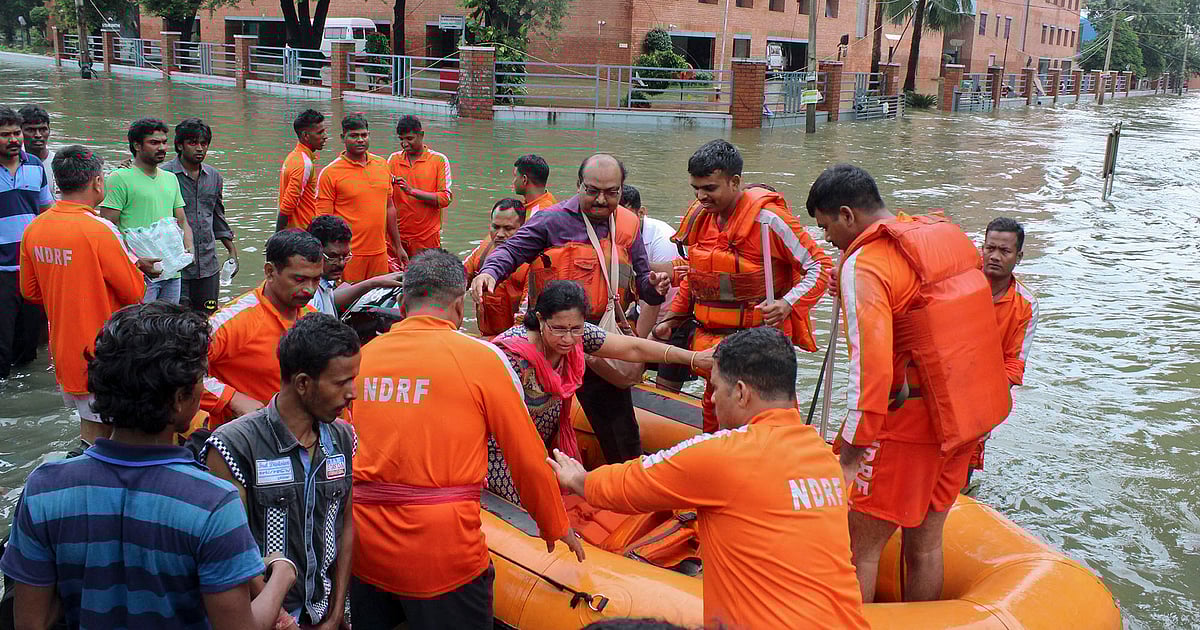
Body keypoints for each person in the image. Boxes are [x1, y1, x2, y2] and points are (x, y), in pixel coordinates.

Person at [548, 327, 870, 630]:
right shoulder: (826, 461)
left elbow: (632, 483)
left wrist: (581, 481)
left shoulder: (724, 455)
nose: (712, 399)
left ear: (741, 392)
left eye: (716, 387)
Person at [0, 301, 296, 630]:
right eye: (203, 377)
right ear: (181, 399)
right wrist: (282, 574)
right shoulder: (212, 502)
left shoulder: (44, 487)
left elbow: (31, 622)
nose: (204, 386)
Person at [805, 164, 1010, 603]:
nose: (826, 240)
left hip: (907, 424)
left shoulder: (866, 264)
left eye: (825, 227)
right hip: (962, 417)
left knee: (859, 549)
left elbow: (869, 369)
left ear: (846, 215)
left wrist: (850, 455)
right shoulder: (939, 236)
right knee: (926, 543)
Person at [350, 249, 582, 630]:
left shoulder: (362, 358)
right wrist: (554, 524)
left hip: (366, 546)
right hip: (444, 550)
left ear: (404, 302)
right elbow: (526, 456)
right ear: (459, 306)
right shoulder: (482, 359)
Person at [472, 153, 672, 464]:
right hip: (550, 341)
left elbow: (643, 282)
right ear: (578, 185)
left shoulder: (628, 225)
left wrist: (654, 285)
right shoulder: (551, 221)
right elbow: (511, 250)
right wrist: (489, 272)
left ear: (622, 189)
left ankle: (627, 491)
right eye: (592, 190)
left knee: (621, 432)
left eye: (611, 192)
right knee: (532, 426)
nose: (601, 200)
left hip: (599, 341)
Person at [656, 140, 832, 433]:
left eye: (709, 188)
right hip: (715, 347)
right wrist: (672, 318)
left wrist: (786, 303)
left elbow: (820, 266)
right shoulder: (700, 218)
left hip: (761, 345)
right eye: (695, 189)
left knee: (772, 424)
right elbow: (698, 275)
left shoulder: (769, 220)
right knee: (714, 421)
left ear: (734, 182)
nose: (701, 196)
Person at [487, 280, 712, 506]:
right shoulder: (513, 358)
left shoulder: (579, 337)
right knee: (527, 509)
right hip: (501, 450)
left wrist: (692, 358)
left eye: (575, 328)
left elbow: (632, 348)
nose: (567, 338)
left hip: (543, 442)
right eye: (558, 329)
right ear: (540, 320)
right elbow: (494, 423)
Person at [206, 313, 360, 630]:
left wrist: (335, 614)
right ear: (303, 383)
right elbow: (232, 547)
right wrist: (280, 620)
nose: (352, 393)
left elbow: (345, 522)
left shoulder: (344, 438)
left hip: (322, 614)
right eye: (342, 382)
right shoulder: (233, 446)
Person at [18, 145, 146, 446]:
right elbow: (134, 292)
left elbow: (30, 292)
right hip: (104, 353)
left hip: (64, 352)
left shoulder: (34, 229)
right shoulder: (100, 229)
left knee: (88, 427)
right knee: (104, 437)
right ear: (98, 182)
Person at [202, 230, 322, 427]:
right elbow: (174, 369)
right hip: (245, 441)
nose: (309, 289)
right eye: (299, 280)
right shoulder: (233, 321)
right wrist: (232, 399)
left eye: (316, 279)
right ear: (269, 272)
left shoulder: (312, 316)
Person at [969, 217, 1039, 485]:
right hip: (942, 382)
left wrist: (986, 412)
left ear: (1018, 257)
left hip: (982, 393)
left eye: (1004, 251)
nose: (995, 256)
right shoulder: (959, 283)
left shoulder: (1026, 304)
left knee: (964, 465)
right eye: (989, 248)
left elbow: (1013, 365)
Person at [99, 117, 194, 304]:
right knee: (139, 328)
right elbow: (107, 229)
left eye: (164, 142)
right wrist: (136, 260)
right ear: (137, 145)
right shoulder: (119, 178)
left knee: (166, 326)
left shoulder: (170, 179)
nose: (162, 148)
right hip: (138, 273)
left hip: (172, 273)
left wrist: (189, 249)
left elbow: (182, 221)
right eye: (154, 143)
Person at [315, 114, 405, 283]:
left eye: (364, 135)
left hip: (379, 253)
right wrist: (328, 259)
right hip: (347, 257)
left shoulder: (382, 165)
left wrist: (398, 247)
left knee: (376, 304)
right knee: (347, 304)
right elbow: (322, 223)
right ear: (343, 138)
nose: (360, 140)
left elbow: (389, 208)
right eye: (354, 136)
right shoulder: (330, 173)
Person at [162, 118, 238, 315]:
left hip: (208, 266)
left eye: (204, 143)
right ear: (180, 145)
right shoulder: (164, 175)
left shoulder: (214, 177)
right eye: (193, 143)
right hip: (175, 266)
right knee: (175, 320)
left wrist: (232, 252)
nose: (200, 148)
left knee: (208, 318)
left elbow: (217, 217)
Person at [0, 106, 52, 380]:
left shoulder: (35, 166)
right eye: (5, 134)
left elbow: (46, 212)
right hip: (1, 272)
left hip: (32, 268)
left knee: (28, 344)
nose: (13, 139)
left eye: (16, 133)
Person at [306, 214, 402, 317]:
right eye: (333, 256)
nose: (341, 263)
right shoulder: (308, 298)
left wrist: (375, 282)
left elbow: (330, 300)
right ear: (315, 251)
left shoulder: (322, 282)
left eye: (345, 256)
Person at [388, 115, 453, 257]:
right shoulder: (393, 160)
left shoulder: (439, 160)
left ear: (421, 135)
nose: (405, 144)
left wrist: (412, 191)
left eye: (409, 139)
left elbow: (445, 198)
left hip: (427, 239)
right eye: (401, 139)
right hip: (397, 239)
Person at [463, 198, 528, 337]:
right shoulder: (484, 249)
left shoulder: (532, 264)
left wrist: (493, 344)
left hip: (515, 343)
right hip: (487, 336)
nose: (500, 234)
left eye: (508, 229)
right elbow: (456, 279)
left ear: (523, 228)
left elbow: (525, 322)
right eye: (496, 227)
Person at [276, 109, 328, 231]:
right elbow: (287, 205)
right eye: (320, 133)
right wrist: (276, 237)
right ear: (306, 136)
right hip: (301, 234)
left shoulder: (293, 157)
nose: (325, 137)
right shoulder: (303, 164)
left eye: (324, 131)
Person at [18, 105, 55, 199]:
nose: (38, 135)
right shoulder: (11, 165)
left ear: (49, 130)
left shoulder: (60, 163)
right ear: (19, 132)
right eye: (31, 130)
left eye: (43, 129)